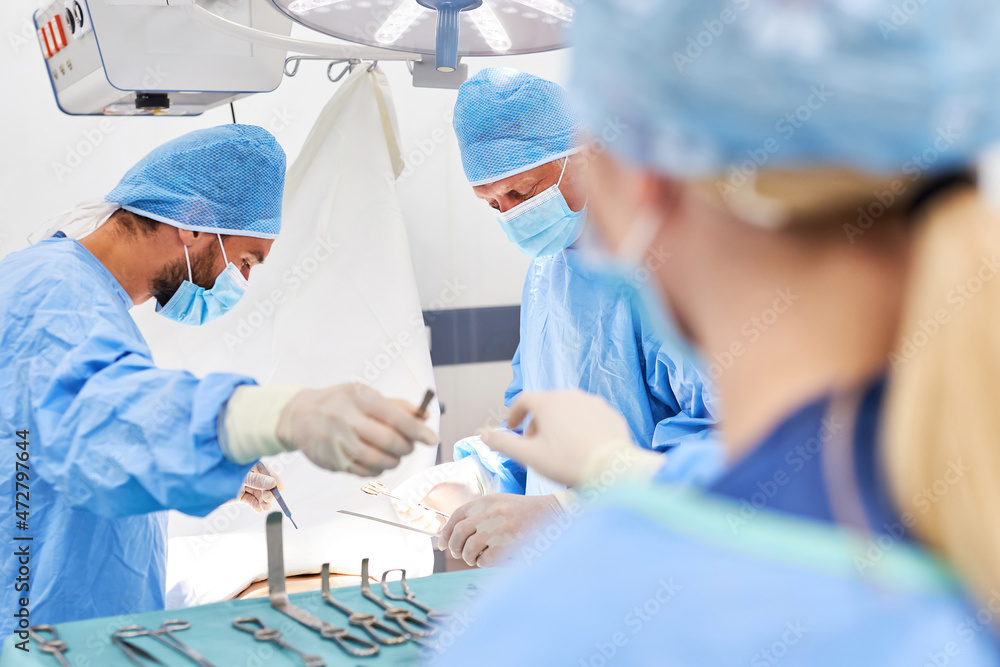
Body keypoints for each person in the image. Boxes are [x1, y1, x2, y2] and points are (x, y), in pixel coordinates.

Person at [430, 1, 1000, 664]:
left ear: (632, 181)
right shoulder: (955, 514)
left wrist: (588, 507)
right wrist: (517, 474)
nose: (512, 215)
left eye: (521, 191)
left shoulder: (551, 630)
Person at [0, 125, 437, 640]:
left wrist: (219, 459)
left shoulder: (77, 290)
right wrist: (267, 417)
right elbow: (103, 420)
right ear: (192, 224)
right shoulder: (52, 291)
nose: (242, 281)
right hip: (38, 628)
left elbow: (67, 429)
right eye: (247, 260)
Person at [394, 68, 719, 568]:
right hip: (568, 570)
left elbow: (721, 451)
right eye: (493, 203)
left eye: (522, 193)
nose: (510, 214)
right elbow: (535, 419)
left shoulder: (665, 269)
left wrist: (565, 511)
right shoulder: (547, 271)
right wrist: (476, 478)